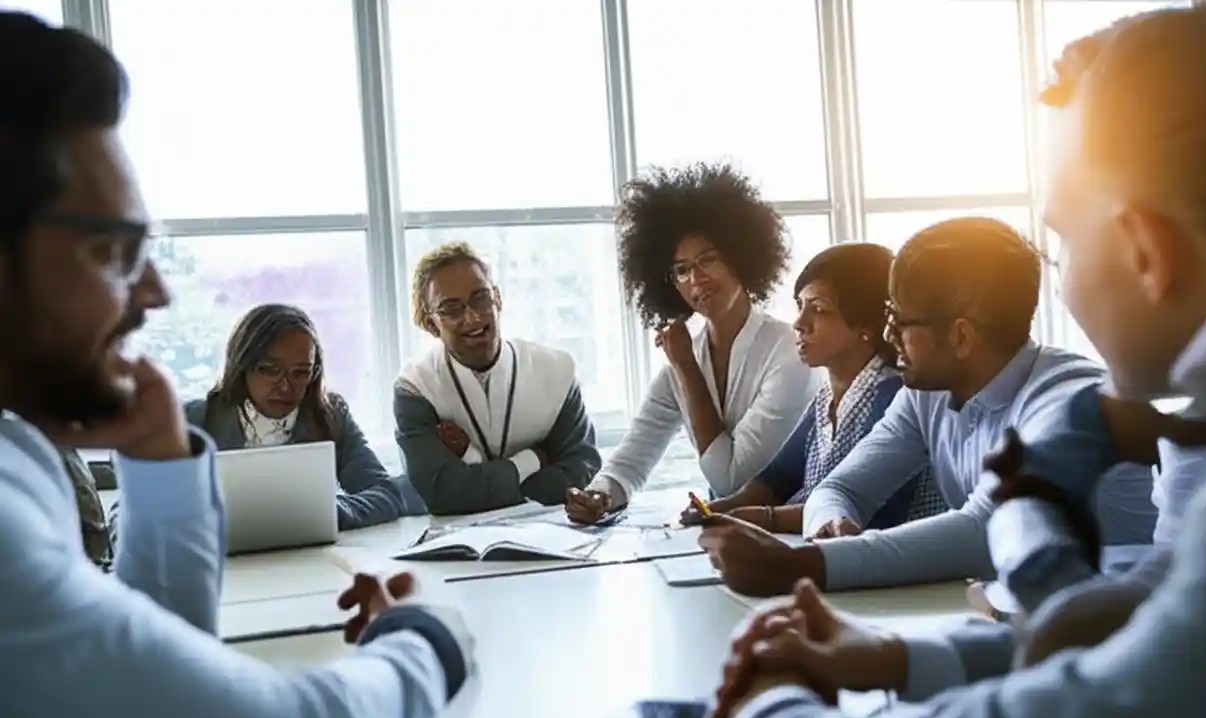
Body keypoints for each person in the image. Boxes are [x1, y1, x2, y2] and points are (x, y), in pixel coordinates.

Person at [712, 4, 1206, 717]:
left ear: (1146, 253)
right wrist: (890, 655)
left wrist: (777, 700)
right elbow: (1150, 629)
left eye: (1065, 242)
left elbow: (1109, 696)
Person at [0, 13, 471, 718]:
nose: (155, 291)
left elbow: (149, 684)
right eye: (113, 250)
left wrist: (163, 466)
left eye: (303, 371)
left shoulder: (21, 450)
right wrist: (426, 640)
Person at [698, 217, 1159, 597]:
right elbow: (839, 489)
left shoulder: (1067, 400)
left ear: (961, 336)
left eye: (899, 321)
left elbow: (986, 529)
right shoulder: (926, 395)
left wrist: (807, 563)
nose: (888, 336)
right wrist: (830, 527)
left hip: (1120, 639)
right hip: (1022, 617)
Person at [566, 163, 817, 523]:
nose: (696, 279)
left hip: (795, 533)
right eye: (681, 269)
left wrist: (687, 368)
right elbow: (632, 460)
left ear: (741, 254)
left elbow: (732, 480)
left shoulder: (789, 351)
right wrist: (597, 496)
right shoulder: (685, 356)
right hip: (727, 534)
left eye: (707, 260)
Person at [678, 243, 942, 534]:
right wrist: (716, 510)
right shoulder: (827, 397)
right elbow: (777, 479)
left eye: (818, 309)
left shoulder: (892, 397)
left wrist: (753, 518)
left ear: (867, 324)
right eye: (800, 306)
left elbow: (869, 512)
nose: (800, 323)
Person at [395, 242, 601, 515]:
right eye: (451, 309)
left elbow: (582, 466)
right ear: (431, 324)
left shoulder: (555, 371)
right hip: (456, 546)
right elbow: (443, 493)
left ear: (498, 299)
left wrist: (479, 479)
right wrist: (532, 460)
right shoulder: (416, 388)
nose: (472, 317)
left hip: (551, 534)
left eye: (481, 297)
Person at [184, 303, 404, 530]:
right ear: (242, 366)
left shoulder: (330, 416)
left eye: (301, 373)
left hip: (312, 560)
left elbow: (387, 496)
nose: (286, 387)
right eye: (270, 370)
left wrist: (326, 511)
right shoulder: (195, 420)